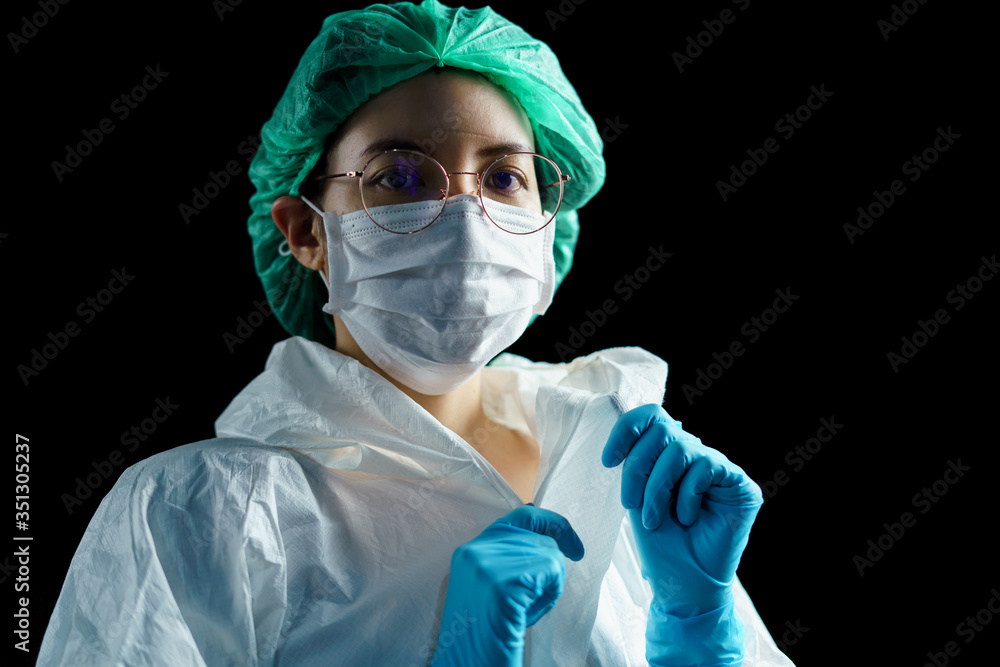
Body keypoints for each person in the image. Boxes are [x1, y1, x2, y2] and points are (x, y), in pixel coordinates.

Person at [38, 2, 796, 665]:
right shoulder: (201, 512)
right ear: (307, 231)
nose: (466, 217)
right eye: (400, 176)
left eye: (503, 178)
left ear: (544, 231)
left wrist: (698, 628)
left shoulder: (628, 477)